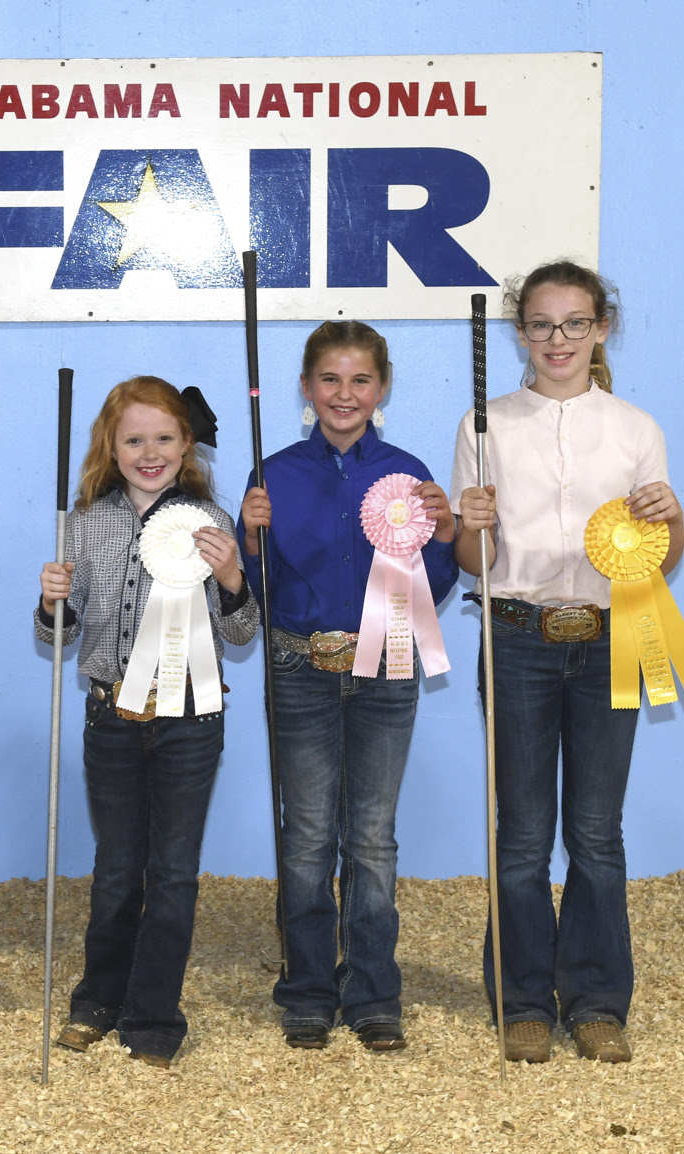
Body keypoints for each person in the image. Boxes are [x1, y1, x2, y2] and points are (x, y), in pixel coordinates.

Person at [451, 261, 681, 1064]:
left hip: (609, 637)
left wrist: (671, 517)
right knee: (520, 834)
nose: (557, 339)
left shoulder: (634, 429)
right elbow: (469, 561)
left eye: (573, 323)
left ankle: (594, 1000)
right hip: (515, 636)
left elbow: (661, 552)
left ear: (600, 329)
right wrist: (469, 522)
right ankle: (520, 998)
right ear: (519, 333)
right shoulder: (483, 425)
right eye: (542, 325)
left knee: (594, 831)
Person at [237, 321, 458, 1052]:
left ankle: (372, 992)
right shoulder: (270, 476)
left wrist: (447, 536)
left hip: (387, 666)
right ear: (305, 388)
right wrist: (248, 537)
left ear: (382, 388)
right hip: (299, 664)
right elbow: (256, 591)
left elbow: (434, 582)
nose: (344, 394)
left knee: (370, 838)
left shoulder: (408, 475)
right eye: (329, 379)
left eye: (359, 380)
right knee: (303, 837)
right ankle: (305, 989)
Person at [38, 377, 257, 1067]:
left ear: (186, 443)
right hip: (111, 714)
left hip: (191, 719)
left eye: (163, 437)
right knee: (115, 868)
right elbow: (57, 639)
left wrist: (231, 582)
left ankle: (154, 1015)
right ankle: (96, 999)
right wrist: (51, 603)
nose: (149, 451)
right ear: (111, 445)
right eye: (133, 439)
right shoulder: (81, 523)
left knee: (172, 873)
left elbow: (246, 630)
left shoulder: (212, 524)